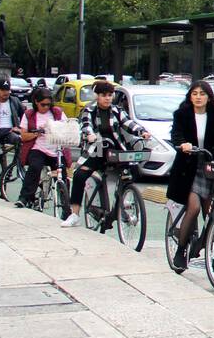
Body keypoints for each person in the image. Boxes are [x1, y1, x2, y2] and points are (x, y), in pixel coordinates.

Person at [166, 80, 214, 272]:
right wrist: (183, 144)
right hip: (188, 170)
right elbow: (176, 135)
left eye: (202, 94)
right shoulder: (182, 114)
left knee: (212, 213)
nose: (198, 97)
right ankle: (181, 251)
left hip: (211, 169)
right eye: (194, 93)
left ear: (208, 97)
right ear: (190, 96)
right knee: (194, 207)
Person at [64, 80, 151, 229]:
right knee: (79, 176)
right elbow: (85, 126)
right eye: (104, 95)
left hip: (116, 151)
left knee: (132, 171)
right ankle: (75, 214)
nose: (107, 98)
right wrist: (90, 135)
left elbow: (128, 123)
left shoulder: (116, 110)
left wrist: (142, 132)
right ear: (97, 95)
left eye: (110, 95)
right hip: (96, 150)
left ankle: (123, 202)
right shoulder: (89, 110)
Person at [15, 87, 67, 209]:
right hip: (39, 148)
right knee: (35, 167)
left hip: (55, 149)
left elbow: (66, 127)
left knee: (62, 173)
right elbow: (23, 136)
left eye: (48, 105)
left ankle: (65, 204)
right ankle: (25, 197)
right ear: (36, 102)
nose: (46, 107)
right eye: (43, 105)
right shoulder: (29, 114)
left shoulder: (57, 113)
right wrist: (36, 133)